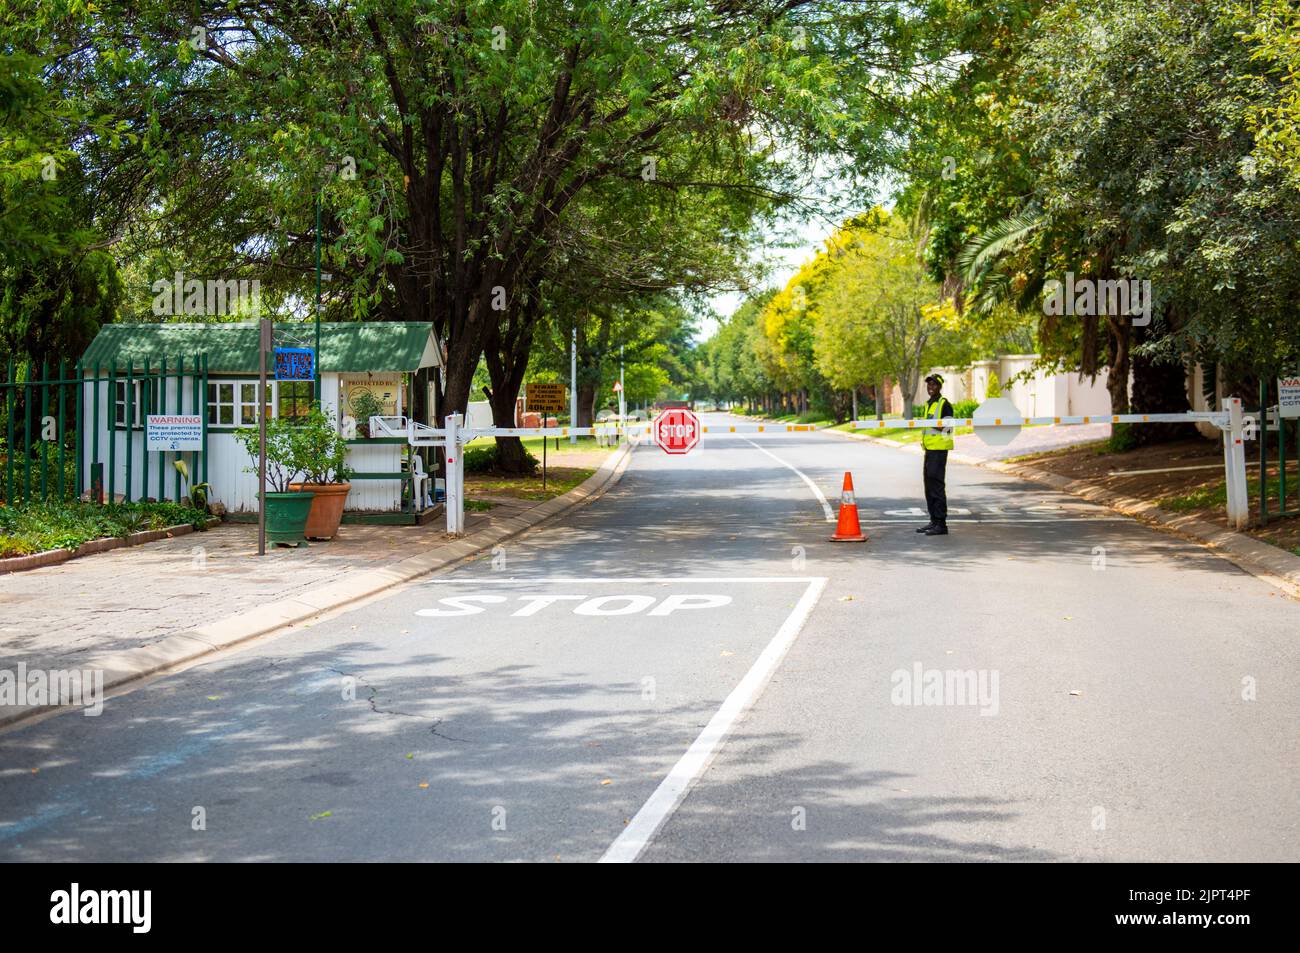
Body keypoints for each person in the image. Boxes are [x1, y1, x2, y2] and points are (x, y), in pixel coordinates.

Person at [917, 374, 954, 536]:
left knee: (937, 487)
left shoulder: (944, 404)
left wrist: (932, 424)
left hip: (939, 450)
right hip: (929, 450)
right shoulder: (928, 405)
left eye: (934, 384)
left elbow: (948, 428)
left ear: (940, 386)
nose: (930, 387)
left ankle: (941, 524)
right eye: (928, 384)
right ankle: (933, 520)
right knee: (928, 486)